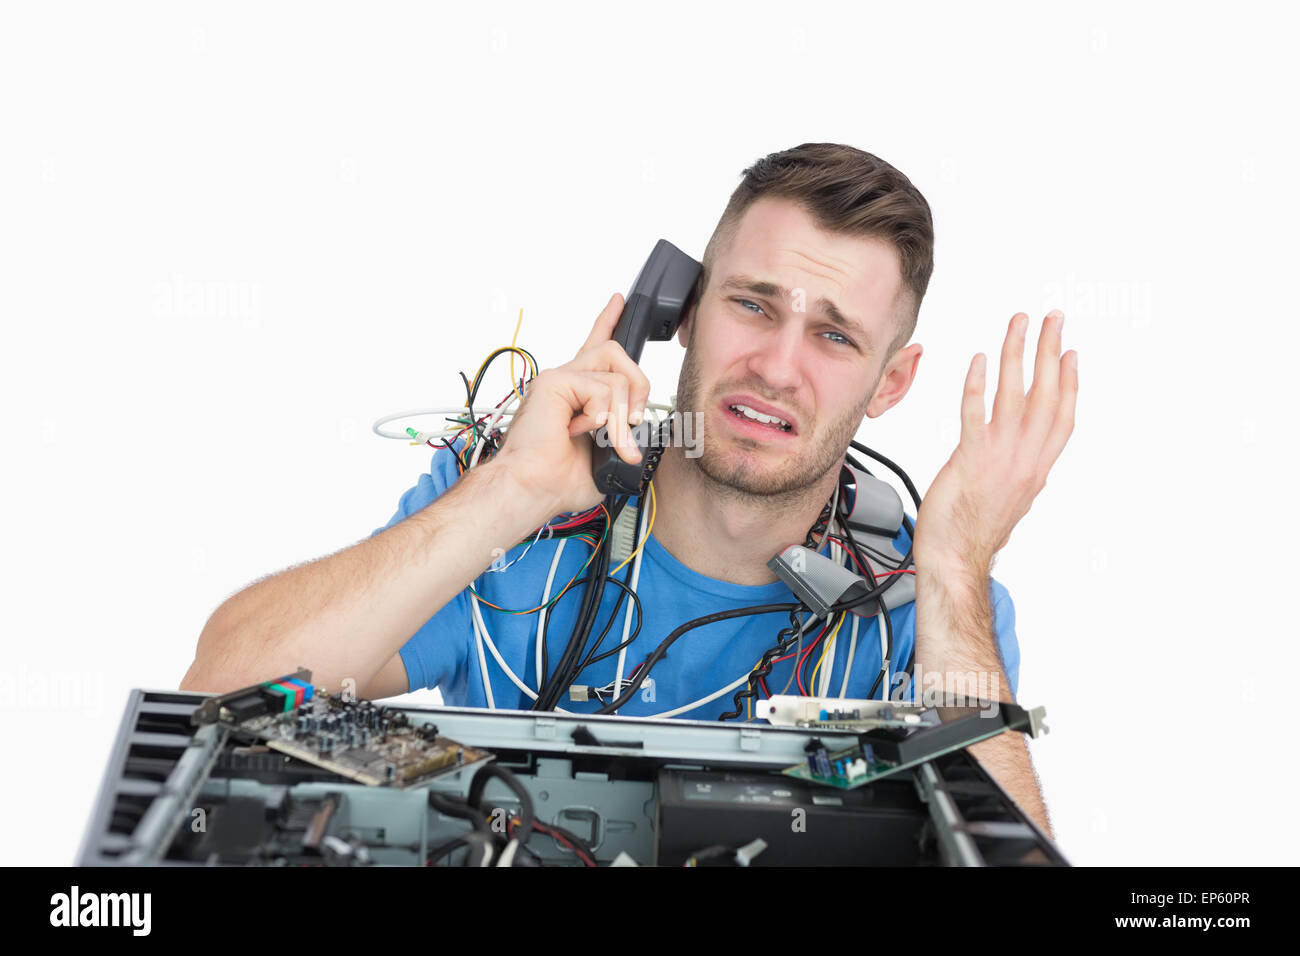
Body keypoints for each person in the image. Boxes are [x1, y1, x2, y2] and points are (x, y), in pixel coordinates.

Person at [180, 143, 1077, 837]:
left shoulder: (933, 610)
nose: (775, 368)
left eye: (835, 337)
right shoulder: (516, 521)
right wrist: (512, 492)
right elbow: (216, 690)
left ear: (890, 382)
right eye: (753, 305)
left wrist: (956, 565)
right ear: (680, 310)